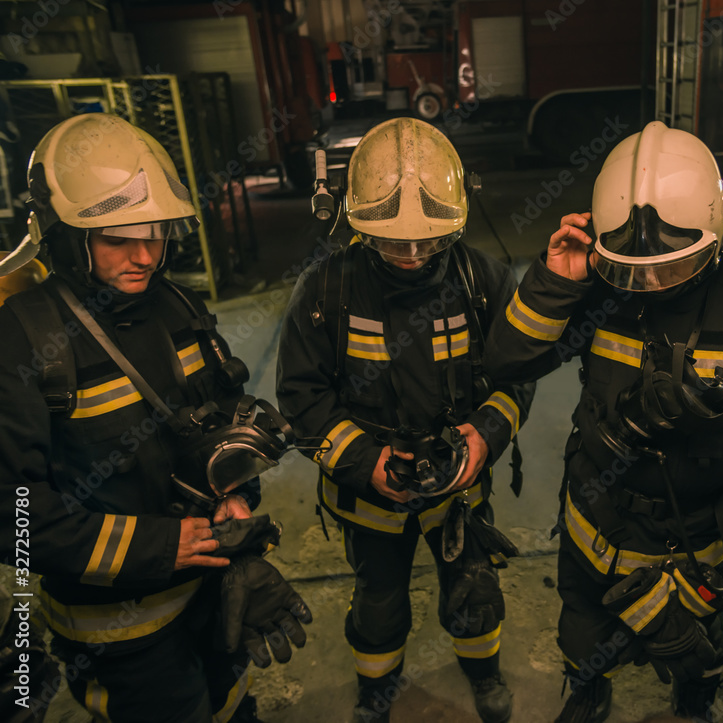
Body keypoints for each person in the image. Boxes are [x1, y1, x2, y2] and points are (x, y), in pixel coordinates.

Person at [483, 121, 723, 722]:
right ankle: (589, 687)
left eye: (674, 266)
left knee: (701, 643)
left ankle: (697, 692)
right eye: (631, 268)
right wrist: (553, 285)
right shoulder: (596, 284)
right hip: (596, 518)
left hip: (700, 535)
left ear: (721, 231)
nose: (648, 281)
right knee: (585, 630)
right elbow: (507, 362)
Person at [0, 113, 309, 723]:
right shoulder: (21, 339)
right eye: (117, 237)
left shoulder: (176, 304)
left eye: (157, 232)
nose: (146, 255)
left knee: (231, 706)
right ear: (64, 236)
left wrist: (234, 498)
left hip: (212, 588)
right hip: (118, 633)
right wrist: (159, 546)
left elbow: (218, 421)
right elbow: (15, 516)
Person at [276, 117, 535, 723]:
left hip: (459, 492)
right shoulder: (326, 289)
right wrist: (367, 465)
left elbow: (517, 374)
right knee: (378, 601)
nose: (414, 254)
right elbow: (300, 394)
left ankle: (483, 672)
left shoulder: (484, 281)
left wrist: (485, 436)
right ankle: (376, 690)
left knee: (473, 589)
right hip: (368, 498)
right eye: (394, 241)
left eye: (429, 239)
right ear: (358, 220)